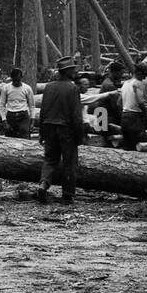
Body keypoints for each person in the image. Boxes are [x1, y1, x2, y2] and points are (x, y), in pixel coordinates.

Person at [38, 56, 87, 204]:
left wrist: (41, 132)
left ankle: (43, 184)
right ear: (68, 71)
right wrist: (80, 135)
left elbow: (43, 110)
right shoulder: (73, 89)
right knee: (69, 162)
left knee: (50, 159)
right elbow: (76, 116)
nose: (74, 72)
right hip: (66, 130)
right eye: (72, 69)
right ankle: (67, 194)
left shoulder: (49, 87)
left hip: (49, 127)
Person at [120, 62, 147, 150]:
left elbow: (119, 102)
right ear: (139, 73)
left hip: (124, 117)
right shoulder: (138, 83)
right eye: (144, 75)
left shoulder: (125, 83)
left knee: (128, 147)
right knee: (142, 145)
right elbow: (140, 102)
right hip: (134, 118)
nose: (144, 78)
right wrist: (145, 114)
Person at [0, 67, 36, 139]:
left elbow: (32, 106)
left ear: (21, 78)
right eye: (14, 80)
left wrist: (32, 122)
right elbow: (2, 105)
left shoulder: (27, 88)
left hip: (23, 116)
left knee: (25, 138)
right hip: (10, 116)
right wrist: (4, 121)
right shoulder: (6, 88)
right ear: (12, 78)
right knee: (10, 140)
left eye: (18, 80)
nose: (16, 82)